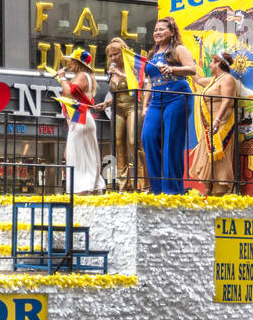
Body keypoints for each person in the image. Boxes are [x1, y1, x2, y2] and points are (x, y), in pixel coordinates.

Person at [141, 16, 197, 195]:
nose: (157, 32)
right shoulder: (152, 54)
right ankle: (158, 191)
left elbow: (192, 69)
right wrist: (145, 105)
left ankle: (172, 191)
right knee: (148, 137)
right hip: (157, 99)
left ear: (172, 32)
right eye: (156, 30)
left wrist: (172, 69)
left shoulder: (178, 49)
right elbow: (150, 81)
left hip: (177, 96)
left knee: (171, 141)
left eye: (161, 29)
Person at [187, 52, 240, 196]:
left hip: (221, 123)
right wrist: (188, 65)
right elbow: (198, 79)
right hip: (210, 125)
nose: (209, 65)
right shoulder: (214, 80)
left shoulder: (227, 79)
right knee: (209, 156)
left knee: (220, 157)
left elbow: (227, 101)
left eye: (211, 62)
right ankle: (208, 191)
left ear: (218, 63)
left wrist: (217, 120)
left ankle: (220, 192)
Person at [53, 51, 103, 194]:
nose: (70, 64)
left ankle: (81, 188)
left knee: (77, 157)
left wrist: (62, 78)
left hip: (80, 120)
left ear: (79, 63)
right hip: (81, 119)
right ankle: (90, 187)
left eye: (72, 61)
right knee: (86, 155)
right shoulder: (85, 77)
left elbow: (68, 93)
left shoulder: (82, 76)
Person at [99, 39, 143, 191]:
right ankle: (124, 185)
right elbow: (116, 93)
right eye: (110, 56)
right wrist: (106, 103)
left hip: (133, 107)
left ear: (123, 52)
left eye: (116, 54)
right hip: (117, 110)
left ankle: (143, 182)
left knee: (133, 142)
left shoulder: (133, 69)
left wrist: (121, 74)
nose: (113, 58)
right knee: (118, 146)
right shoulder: (111, 72)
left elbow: (137, 87)